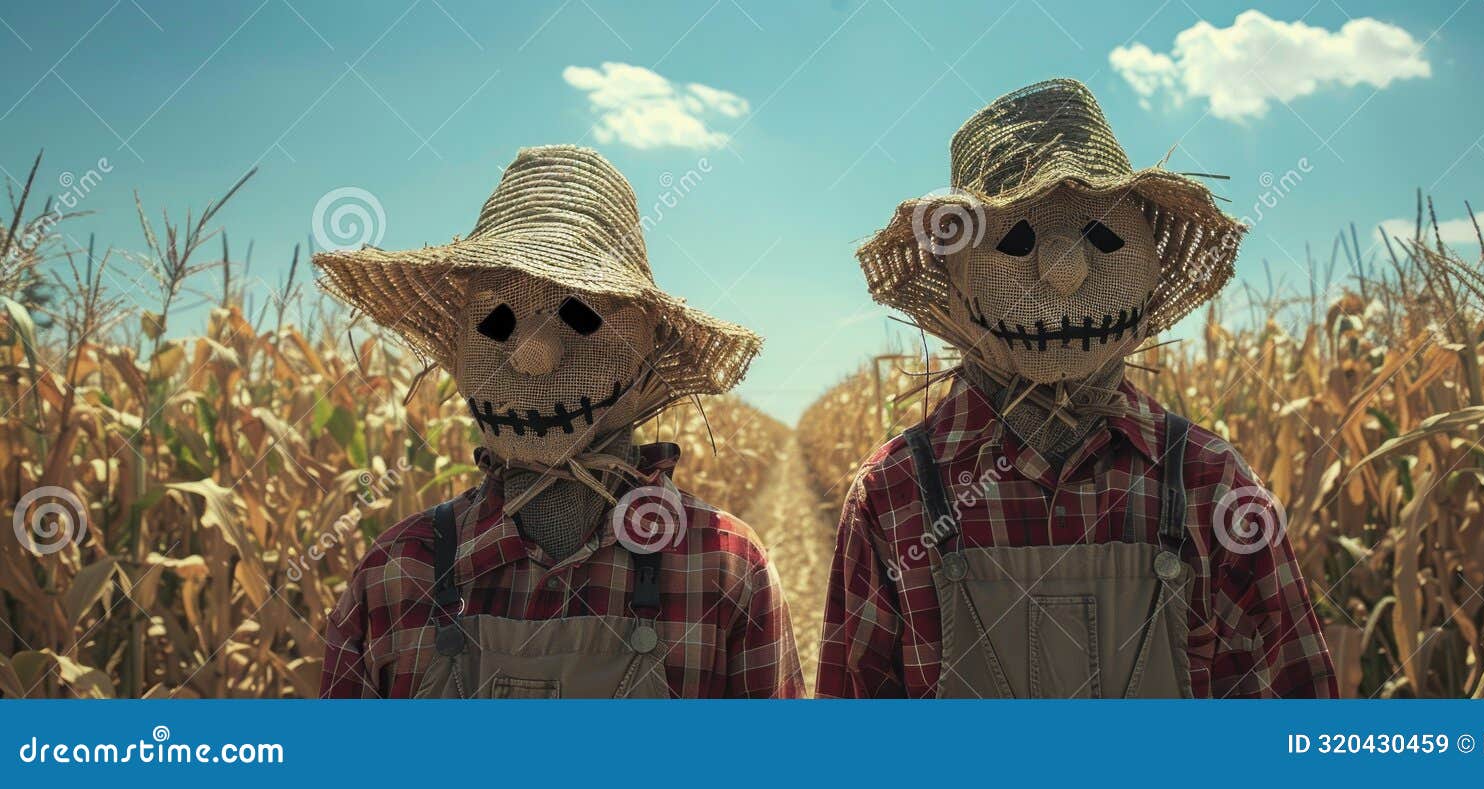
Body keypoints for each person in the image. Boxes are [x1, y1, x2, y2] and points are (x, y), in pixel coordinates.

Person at [817, 80, 1337, 698]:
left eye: (1102, 237)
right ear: (955, 282)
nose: (1064, 273)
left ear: (1147, 263)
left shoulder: (1212, 486)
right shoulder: (892, 495)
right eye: (1016, 241)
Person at [316, 145, 803, 698]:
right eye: (497, 322)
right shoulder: (393, 575)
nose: (532, 355)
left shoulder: (726, 570)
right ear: (457, 351)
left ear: (646, 350)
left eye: (581, 316)